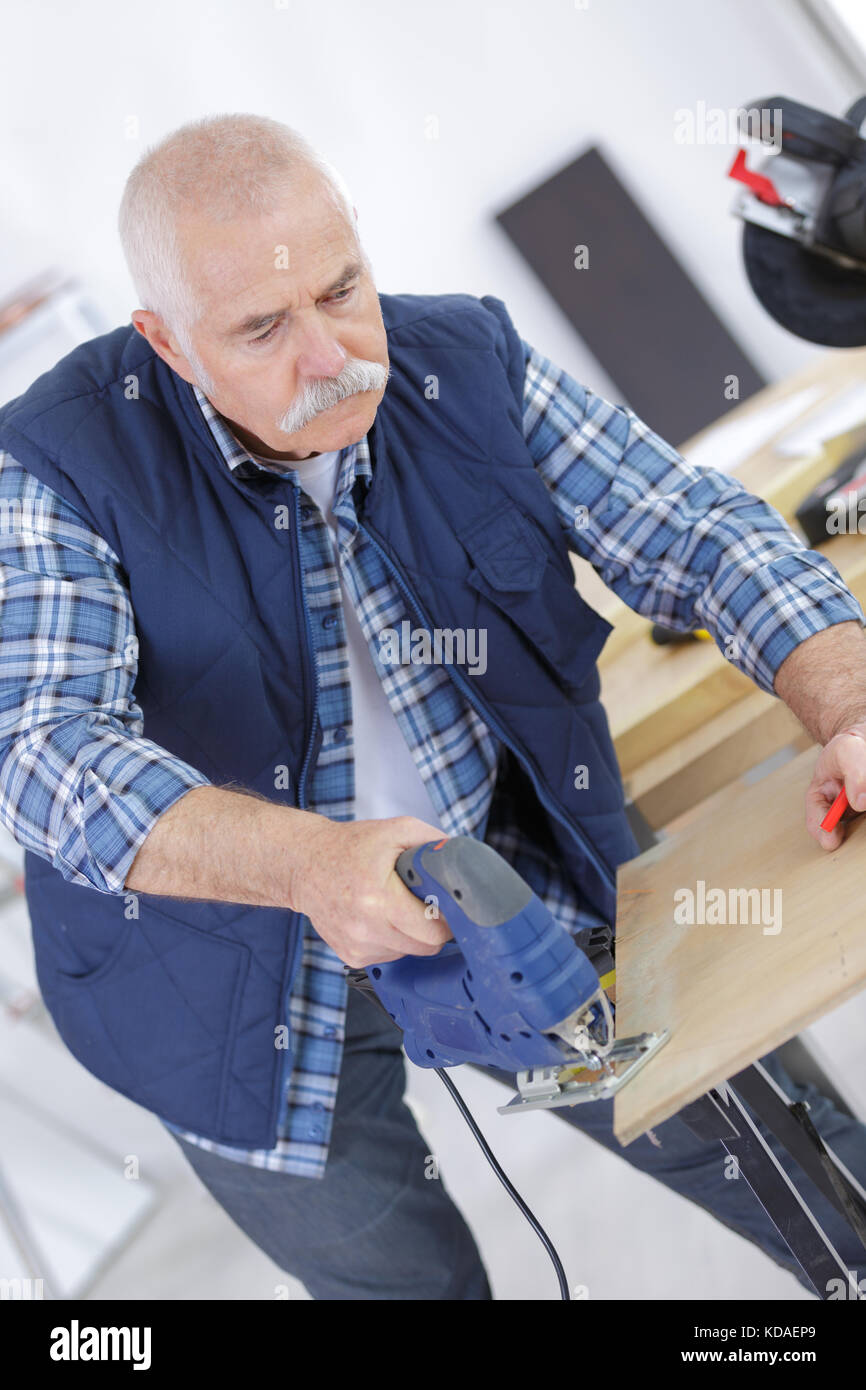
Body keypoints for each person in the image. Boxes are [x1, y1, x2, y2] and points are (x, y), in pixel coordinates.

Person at [0, 113, 864, 1300]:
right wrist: (314, 867)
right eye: (261, 329)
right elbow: (48, 752)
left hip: (510, 887)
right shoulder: (54, 463)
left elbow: (697, 534)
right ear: (167, 342)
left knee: (810, 1176)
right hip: (220, 990)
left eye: (341, 290)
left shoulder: (465, 360)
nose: (331, 357)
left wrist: (846, 701)